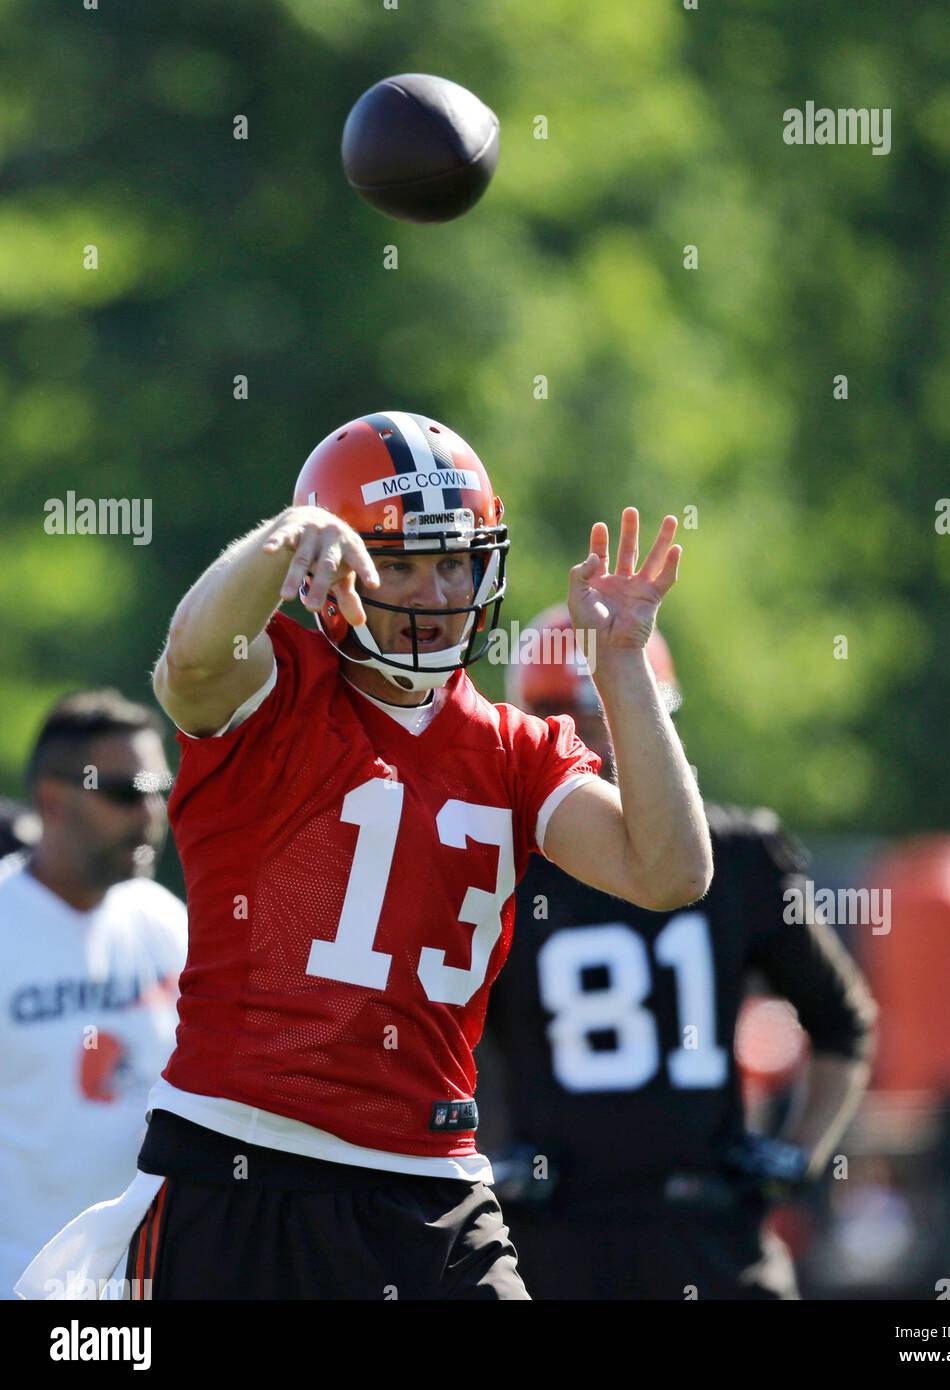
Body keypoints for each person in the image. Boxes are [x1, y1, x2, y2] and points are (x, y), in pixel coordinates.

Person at [20, 409, 711, 1301]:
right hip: (238, 1163)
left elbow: (669, 872)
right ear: (331, 572)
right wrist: (284, 538)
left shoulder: (515, 748)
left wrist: (621, 664)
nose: (433, 591)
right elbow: (189, 664)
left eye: (453, 561)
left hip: (430, 1182)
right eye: (403, 563)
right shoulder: (278, 686)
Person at [482, 604, 878, 1298]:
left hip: (686, 1226)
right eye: (568, 719)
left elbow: (840, 1019)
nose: (593, 743)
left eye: (609, 714)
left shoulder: (734, 857)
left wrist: (799, 1153)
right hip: (569, 1233)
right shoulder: (499, 863)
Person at [0, 690, 186, 1299]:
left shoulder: (166, 923)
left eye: (160, 787)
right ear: (53, 801)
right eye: (125, 792)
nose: (151, 812)